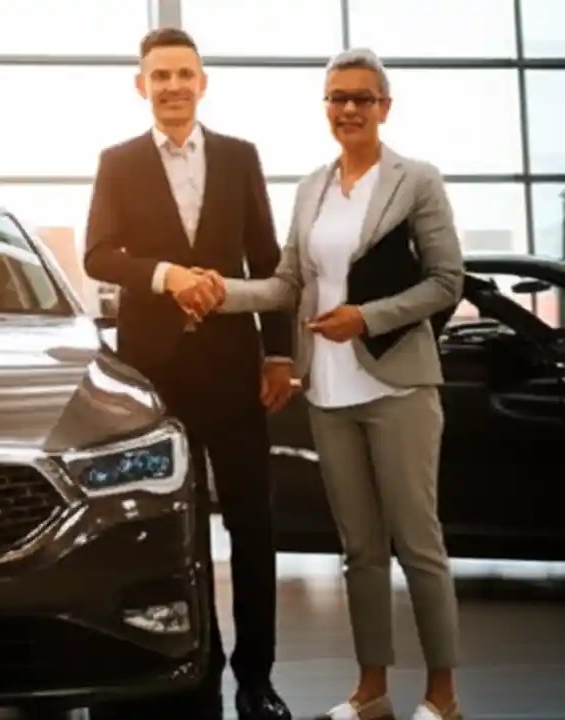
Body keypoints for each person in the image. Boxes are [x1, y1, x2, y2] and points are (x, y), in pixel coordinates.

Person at [175, 48, 465, 720]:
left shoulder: (415, 180)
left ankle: (443, 696)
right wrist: (217, 293)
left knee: (418, 545)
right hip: (329, 392)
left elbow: (447, 280)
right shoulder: (311, 187)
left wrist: (367, 316)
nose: (350, 109)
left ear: (384, 108)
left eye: (363, 98)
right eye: (338, 98)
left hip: (398, 387)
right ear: (326, 108)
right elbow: (286, 285)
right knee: (359, 550)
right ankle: (372, 692)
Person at [82, 26, 294, 720]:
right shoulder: (118, 162)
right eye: (159, 75)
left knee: (254, 528)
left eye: (184, 74)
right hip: (155, 380)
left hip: (234, 370)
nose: (172, 85)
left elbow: (266, 260)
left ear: (203, 82)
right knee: (177, 528)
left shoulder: (239, 158)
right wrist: (166, 275)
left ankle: (256, 679)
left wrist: (280, 352)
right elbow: (99, 255)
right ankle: (192, 670)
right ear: (141, 85)